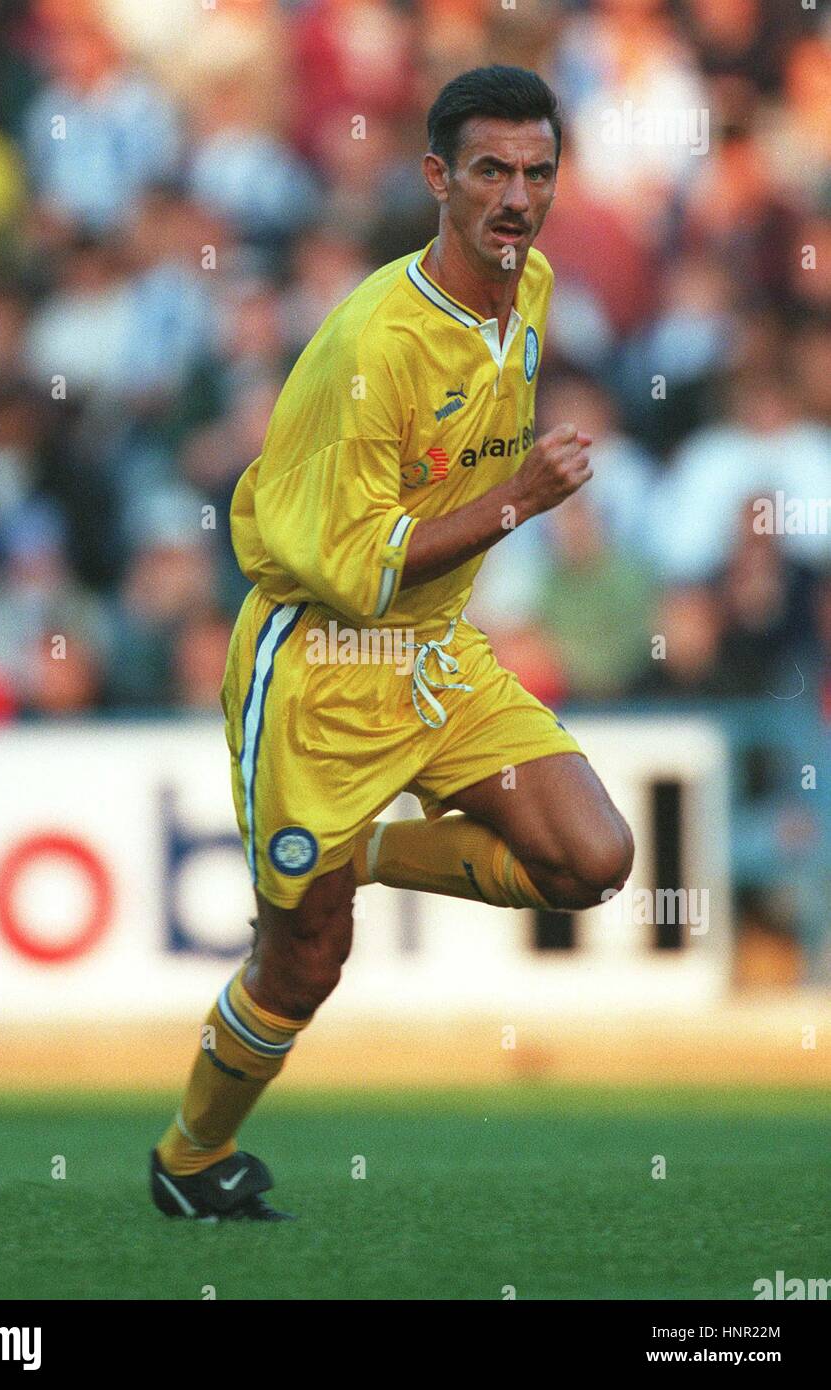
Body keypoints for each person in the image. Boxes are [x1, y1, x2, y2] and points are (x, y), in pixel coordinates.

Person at [151, 65, 635, 1223]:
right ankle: (184, 1161)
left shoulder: (532, 289)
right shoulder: (368, 343)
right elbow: (352, 561)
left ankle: (359, 851)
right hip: (320, 665)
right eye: (489, 171)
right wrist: (518, 500)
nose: (515, 198)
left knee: (591, 858)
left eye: (535, 173)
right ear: (436, 178)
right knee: (303, 962)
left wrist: (501, 508)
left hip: (428, 653)